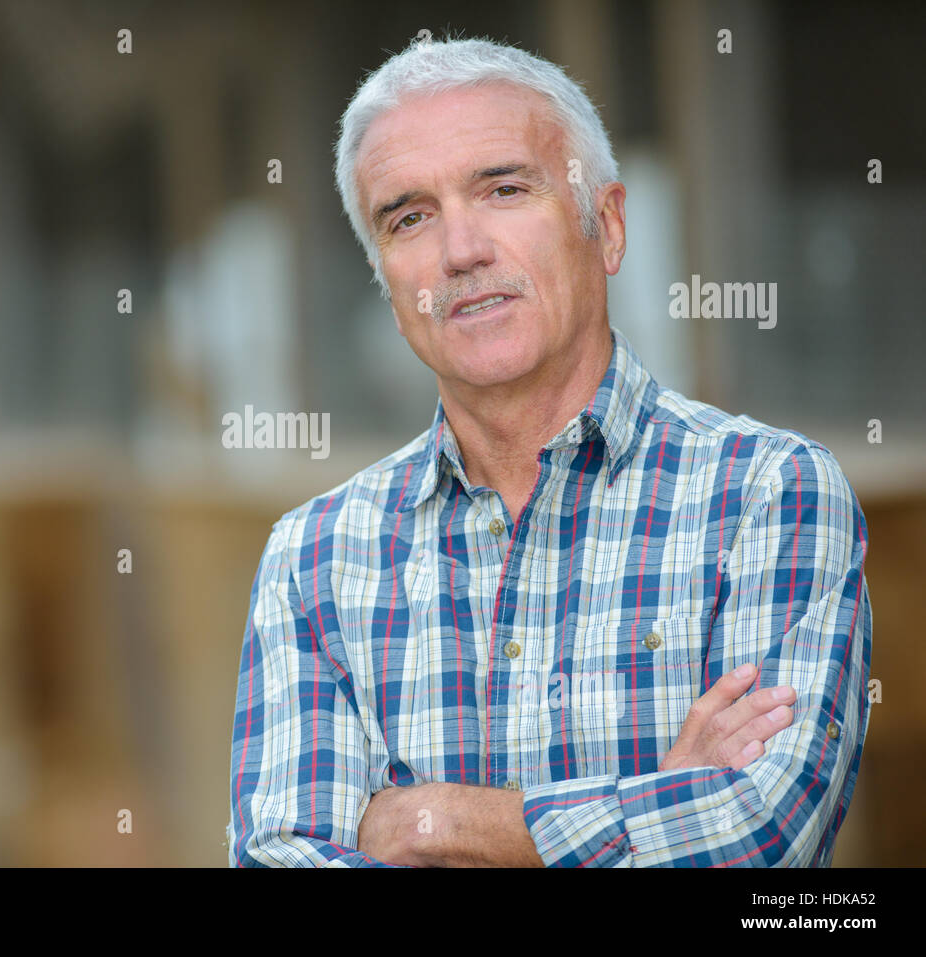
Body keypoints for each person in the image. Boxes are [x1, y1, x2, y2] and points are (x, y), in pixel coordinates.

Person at [227, 37, 871, 867]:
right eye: (410, 217)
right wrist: (654, 804)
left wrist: (428, 821)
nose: (460, 251)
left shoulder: (768, 495)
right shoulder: (312, 558)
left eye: (502, 188)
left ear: (604, 227)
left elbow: (755, 842)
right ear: (389, 288)